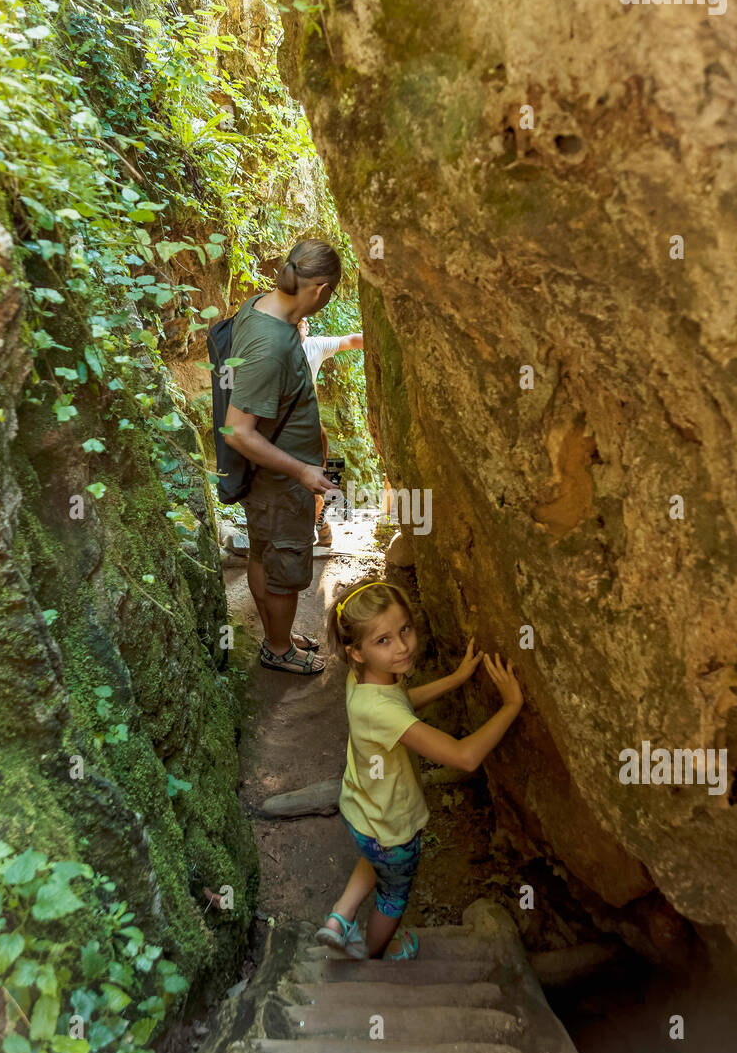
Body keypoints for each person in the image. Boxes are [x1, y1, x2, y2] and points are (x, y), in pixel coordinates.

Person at [315, 578, 524, 959]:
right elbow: (465, 757)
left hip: (360, 809)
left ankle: (339, 917)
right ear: (357, 651)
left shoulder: (359, 680)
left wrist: (456, 679)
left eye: (404, 630)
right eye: (384, 641)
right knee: (393, 897)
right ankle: (373, 952)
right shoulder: (383, 710)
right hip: (393, 826)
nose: (402, 646)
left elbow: (401, 704)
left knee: (373, 854)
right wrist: (510, 706)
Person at [222, 240, 342, 675]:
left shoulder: (261, 305)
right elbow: (237, 430)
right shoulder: (270, 344)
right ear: (320, 289)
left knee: (262, 552)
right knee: (285, 565)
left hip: (267, 477)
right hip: (280, 480)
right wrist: (302, 470)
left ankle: (279, 635)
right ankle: (278, 649)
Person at [297, 318, 363, 547]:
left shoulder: (316, 345)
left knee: (314, 475)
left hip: (307, 421)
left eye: (302, 322)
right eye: (294, 320)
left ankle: (321, 527)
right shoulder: (274, 345)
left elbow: (350, 340)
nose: (298, 324)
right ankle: (317, 528)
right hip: (281, 422)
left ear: (307, 326)